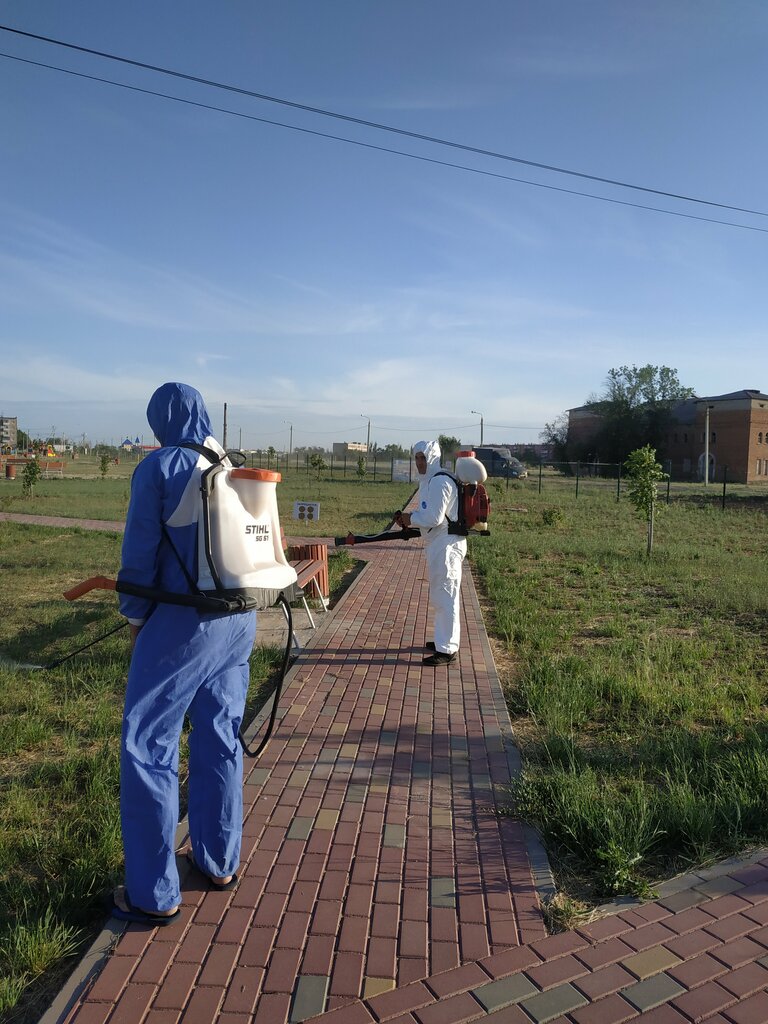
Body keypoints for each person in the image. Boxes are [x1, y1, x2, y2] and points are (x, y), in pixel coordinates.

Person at [109, 382, 257, 925]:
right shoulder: (228, 461)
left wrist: (134, 619)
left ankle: (153, 894)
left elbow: (139, 556)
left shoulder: (159, 468)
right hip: (240, 620)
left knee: (147, 743)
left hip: (182, 621)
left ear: (161, 420)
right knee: (220, 735)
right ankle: (219, 861)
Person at [397, 440, 466, 666]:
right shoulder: (429, 482)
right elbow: (429, 513)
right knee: (440, 596)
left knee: (446, 596)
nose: (419, 462)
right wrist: (410, 520)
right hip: (438, 544)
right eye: (417, 457)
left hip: (447, 547)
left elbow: (434, 518)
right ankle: (442, 641)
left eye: (423, 458)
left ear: (433, 458)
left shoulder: (440, 482)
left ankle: (447, 650)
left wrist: (410, 519)